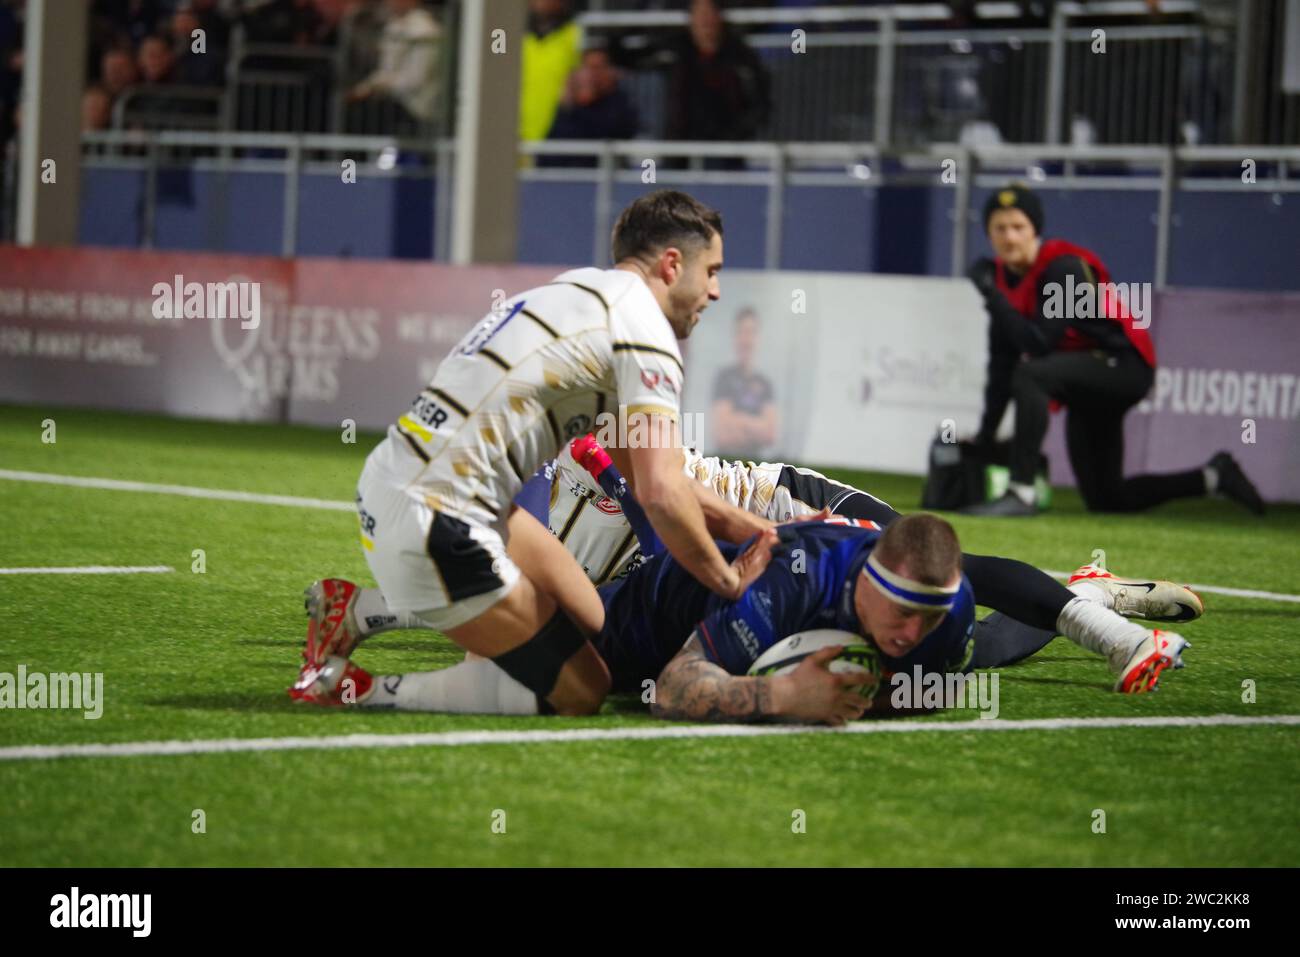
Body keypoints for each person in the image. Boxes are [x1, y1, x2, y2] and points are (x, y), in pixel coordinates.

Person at [290, 190, 777, 717]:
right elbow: (661, 492)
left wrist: (761, 533)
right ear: (672, 263)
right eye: (711, 271)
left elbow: (650, 480)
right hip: (439, 519)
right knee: (581, 690)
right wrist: (729, 583)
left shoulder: (578, 289)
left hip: (407, 486)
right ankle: (351, 688)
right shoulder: (645, 333)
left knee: (589, 617)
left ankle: (361, 610)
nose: (716, 291)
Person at [963, 182, 1266, 517]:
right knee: (1107, 500)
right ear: (988, 234)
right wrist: (985, 439)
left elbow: (1038, 344)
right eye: (1000, 228)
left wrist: (992, 296)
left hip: (1124, 367)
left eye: (1019, 227)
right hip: (1086, 381)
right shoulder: (1003, 282)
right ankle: (1214, 476)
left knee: (1031, 375)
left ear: (1035, 230)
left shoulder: (1063, 267)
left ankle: (1022, 492)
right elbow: (1001, 365)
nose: (1010, 237)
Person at [710, 306, 778, 459]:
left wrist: (738, 420)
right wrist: (757, 425)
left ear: (758, 337)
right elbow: (721, 435)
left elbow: (770, 435)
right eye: (742, 332)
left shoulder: (765, 384)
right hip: (726, 465)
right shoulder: (723, 378)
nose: (746, 340)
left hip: (757, 469)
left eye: (751, 332)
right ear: (735, 337)